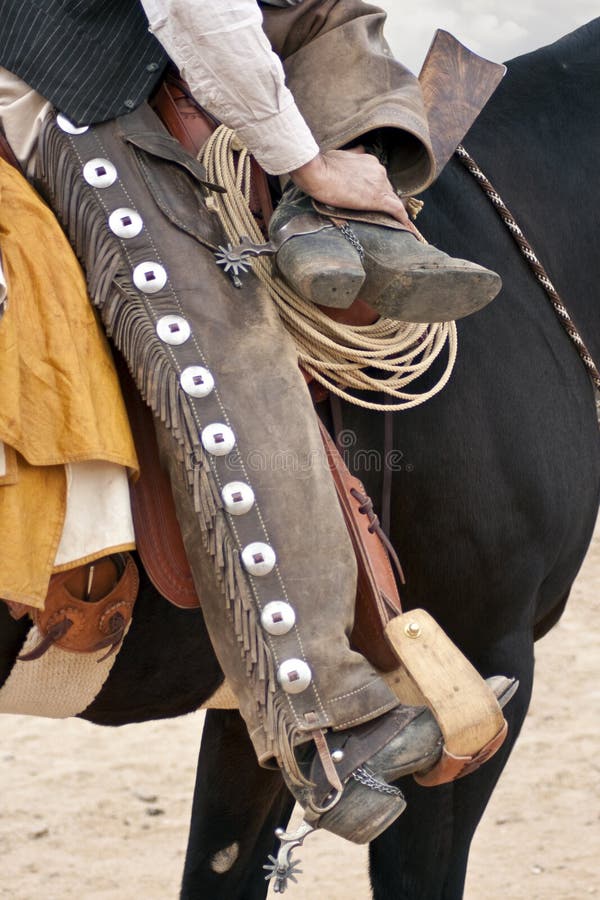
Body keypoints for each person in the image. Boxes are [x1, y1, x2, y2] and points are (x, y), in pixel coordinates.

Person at [0, 0, 511, 851]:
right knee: (224, 340)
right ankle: (326, 722)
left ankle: (337, 218)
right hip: (58, 82)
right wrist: (301, 160)